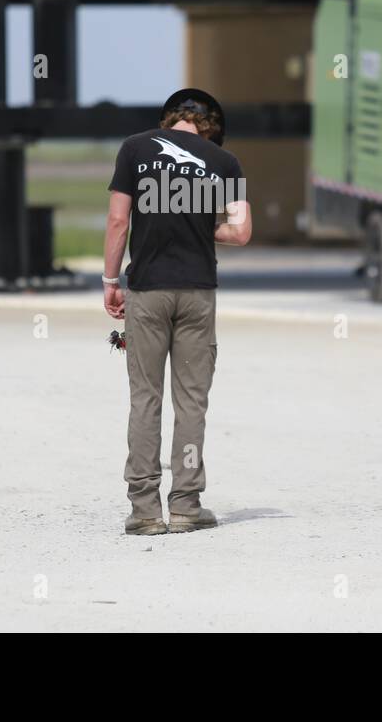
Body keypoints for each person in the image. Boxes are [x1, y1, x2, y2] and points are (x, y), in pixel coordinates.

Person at [103, 88, 251, 535]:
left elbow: (117, 221)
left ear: (169, 120)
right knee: (191, 401)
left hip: (147, 291)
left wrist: (112, 281)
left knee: (145, 399)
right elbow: (241, 231)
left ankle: (145, 511)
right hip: (198, 293)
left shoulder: (134, 148)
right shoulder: (226, 163)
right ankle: (186, 505)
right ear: (209, 128)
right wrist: (201, 225)